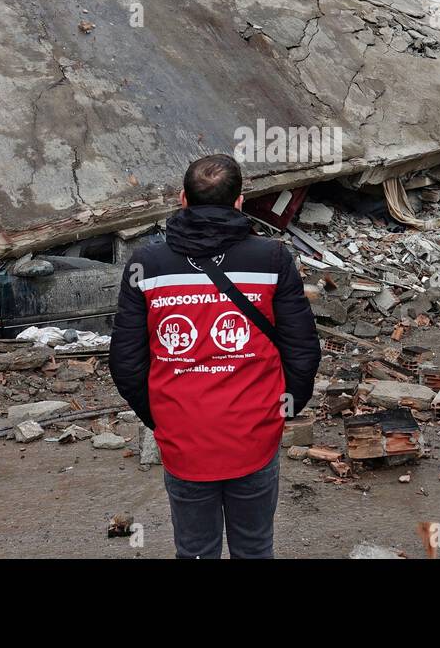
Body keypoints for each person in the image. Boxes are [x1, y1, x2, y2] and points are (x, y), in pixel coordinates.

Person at [109, 155, 321, 559]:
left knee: (195, 551)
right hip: (254, 435)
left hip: (184, 438)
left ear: (182, 199)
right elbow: (303, 352)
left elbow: (125, 362)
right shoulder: (272, 259)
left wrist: (163, 418)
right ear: (240, 202)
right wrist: (281, 410)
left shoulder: (146, 264)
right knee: (255, 548)